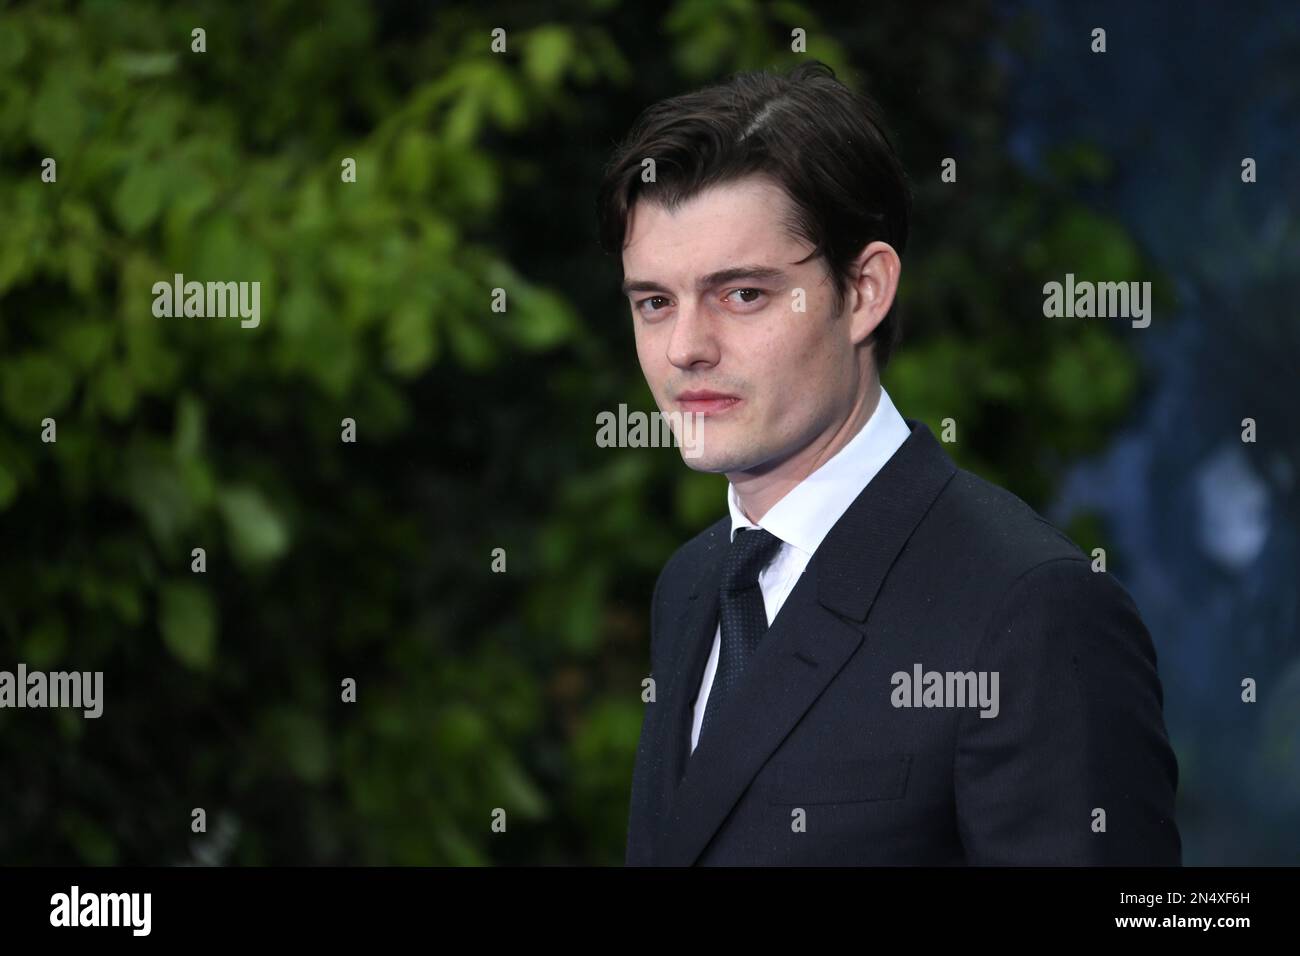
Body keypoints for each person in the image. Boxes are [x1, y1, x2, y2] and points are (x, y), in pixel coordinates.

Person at [597, 61, 1181, 866]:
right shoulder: (693, 585)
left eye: (743, 295)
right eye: (654, 302)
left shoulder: (1031, 611)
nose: (686, 348)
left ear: (865, 291)